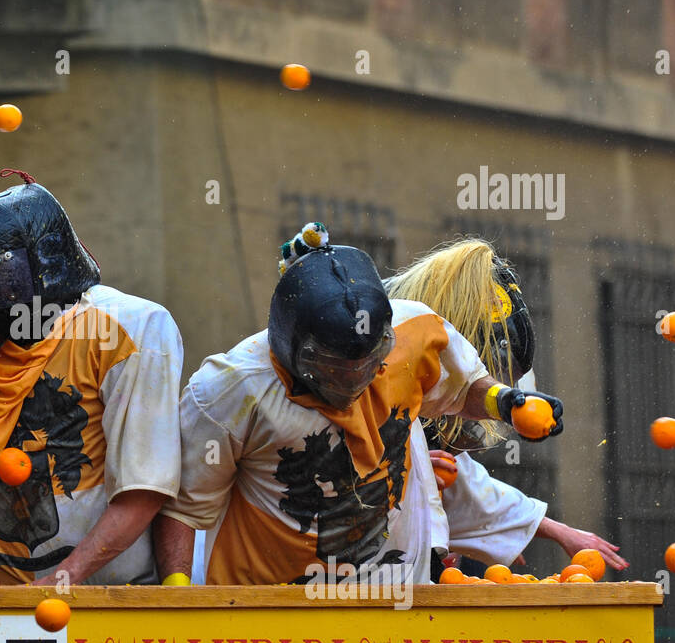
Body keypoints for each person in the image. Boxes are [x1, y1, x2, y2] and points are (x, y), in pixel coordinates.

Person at [156, 223, 565, 586]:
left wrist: (509, 402)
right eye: (334, 368)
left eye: (368, 364)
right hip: (267, 620)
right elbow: (184, 511)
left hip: (392, 608)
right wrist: (178, 600)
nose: (353, 380)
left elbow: (466, 384)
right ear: (288, 347)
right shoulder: (228, 390)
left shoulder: (416, 331)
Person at [0, 170, 184, 586]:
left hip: (109, 599)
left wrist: (68, 576)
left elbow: (144, 485)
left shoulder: (132, 328)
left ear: (48, 264)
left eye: (3, 281)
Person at [384, 239, 626, 575]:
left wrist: (549, 529)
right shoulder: (382, 357)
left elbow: (465, 486)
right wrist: (403, 464)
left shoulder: (423, 405)